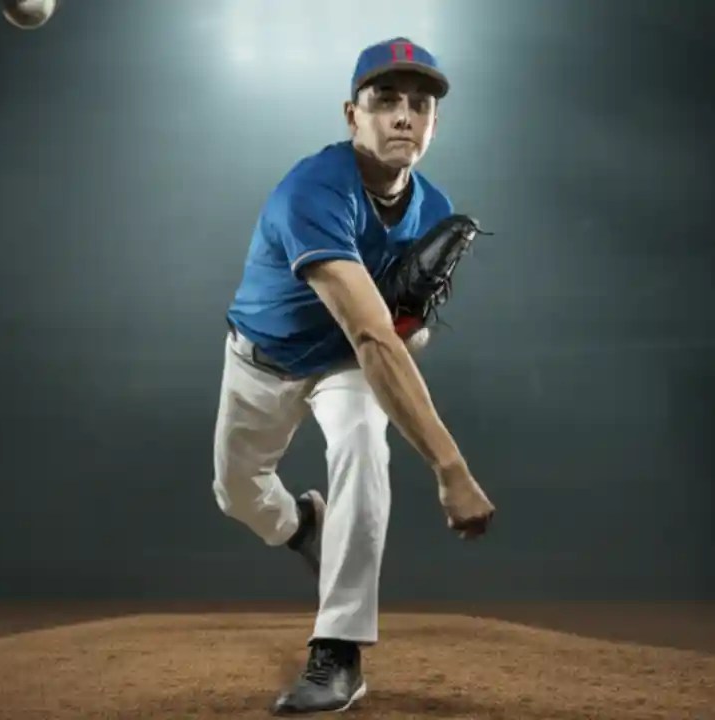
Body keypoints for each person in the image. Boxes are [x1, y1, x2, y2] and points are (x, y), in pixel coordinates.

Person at [211, 36, 496, 716]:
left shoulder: (434, 208)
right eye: (386, 100)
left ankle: (338, 649)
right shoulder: (313, 190)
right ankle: (305, 526)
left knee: (366, 445)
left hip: (345, 364)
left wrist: (412, 325)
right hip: (264, 356)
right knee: (237, 492)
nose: (404, 115)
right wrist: (452, 470)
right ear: (352, 115)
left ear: (434, 123)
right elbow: (373, 333)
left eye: (420, 105)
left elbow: (397, 339)